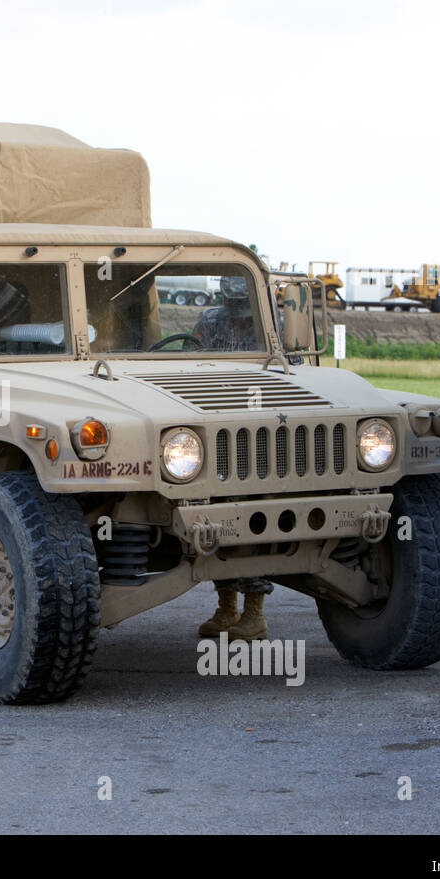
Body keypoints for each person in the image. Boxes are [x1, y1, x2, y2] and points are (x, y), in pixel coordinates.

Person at [192, 276, 271, 641]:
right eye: (234, 307)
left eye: (244, 308)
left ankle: (254, 614)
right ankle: (227, 609)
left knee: (254, 527)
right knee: (216, 526)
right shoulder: (210, 321)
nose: (240, 317)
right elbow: (190, 362)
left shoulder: (270, 322)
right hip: (215, 427)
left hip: (257, 435)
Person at [190, 275, 259, 351]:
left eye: (247, 319)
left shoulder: (265, 326)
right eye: (234, 319)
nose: (242, 321)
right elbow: (191, 352)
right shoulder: (210, 323)